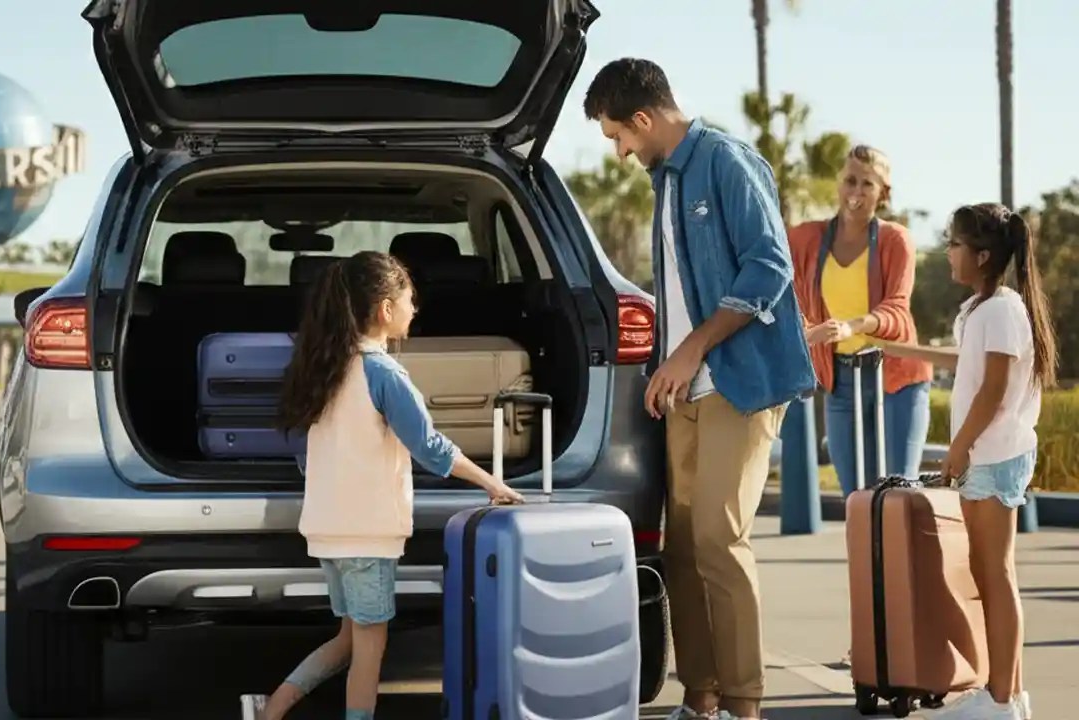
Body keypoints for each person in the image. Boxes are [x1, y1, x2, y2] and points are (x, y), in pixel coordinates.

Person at [582, 59, 816, 720]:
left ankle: (745, 703)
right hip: (684, 391)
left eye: (617, 137)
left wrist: (690, 349)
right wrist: (665, 364)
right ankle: (701, 697)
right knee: (681, 546)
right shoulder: (667, 180)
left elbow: (770, 267)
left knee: (719, 539)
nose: (619, 151)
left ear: (644, 119)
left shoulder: (727, 163)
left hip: (738, 385)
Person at [239, 251, 524, 720]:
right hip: (367, 535)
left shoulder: (325, 370)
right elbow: (430, 448)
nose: (416, 309)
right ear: (385, 310)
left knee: (350, 640)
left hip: (329, 531)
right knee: (370, 653)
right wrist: (490, 482)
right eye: (410, 300)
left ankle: (272, 709)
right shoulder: (384, 373)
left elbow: (307, 453)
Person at [877, 203, 1056, 720]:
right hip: (988, 453)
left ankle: (1002, 701)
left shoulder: (1000, 308)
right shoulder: (983, 308)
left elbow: (995, 390)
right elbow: (972, 366)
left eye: (955, 244)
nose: (948, 252)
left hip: (994, 455)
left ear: (981, 255)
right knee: (988, 571)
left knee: (994, 574)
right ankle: (1008, 694)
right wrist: (905, 351)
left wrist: (956, 453)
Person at [788, 145, 933, 494]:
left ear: (882, 193)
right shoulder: (806, 238)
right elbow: (786, 297)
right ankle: (866, 552)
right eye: (850, 181)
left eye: (867, 184)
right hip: (841, 378)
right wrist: (805, 332)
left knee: (899, 494)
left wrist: (853, 326)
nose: (855, 192)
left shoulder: (894, 240)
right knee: (856, 496)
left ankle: (901, 550)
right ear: (839, 183)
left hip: (897, 377)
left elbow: (897, 310)